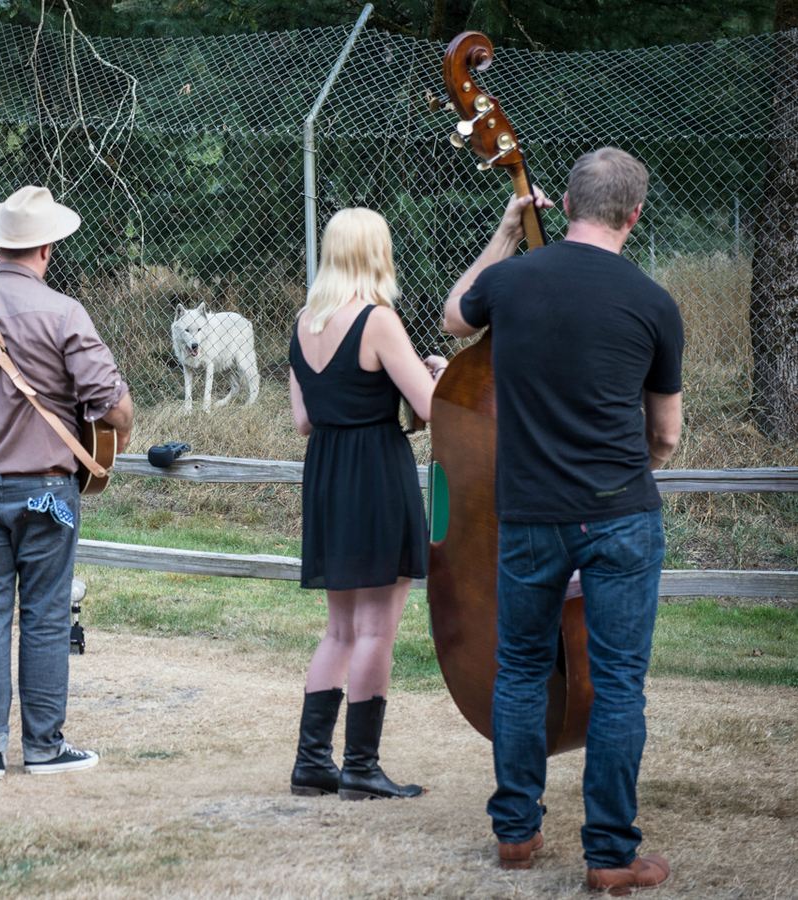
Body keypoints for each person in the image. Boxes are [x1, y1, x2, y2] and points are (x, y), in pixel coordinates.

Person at [442, 148, 683, 893]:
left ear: (566, 205)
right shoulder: (652, 301)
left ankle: (516, 832)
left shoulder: (510, 283)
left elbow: (454, 316)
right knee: (617, 684)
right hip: (618, 516)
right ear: (632, 215)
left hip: (529, 516)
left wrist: (510, 232)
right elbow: (666, 434)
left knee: (518, 669)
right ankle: (610, 854)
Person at [0, 185, 133, 780]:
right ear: (46, 248)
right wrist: (111, 425)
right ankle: (44, 747)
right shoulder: (64, 312)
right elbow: (112, 406)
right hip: (48, 487)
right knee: (46, 616)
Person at [286, 208, 448, 801]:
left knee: (340, 629)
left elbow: (304, 421)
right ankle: (360, 766)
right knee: (377, 630)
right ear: (376, 254)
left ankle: (312, 763)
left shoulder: (304, 321)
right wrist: (443, 372)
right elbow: (429, 407)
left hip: (326, 473)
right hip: (377, 474)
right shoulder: (379, 321)